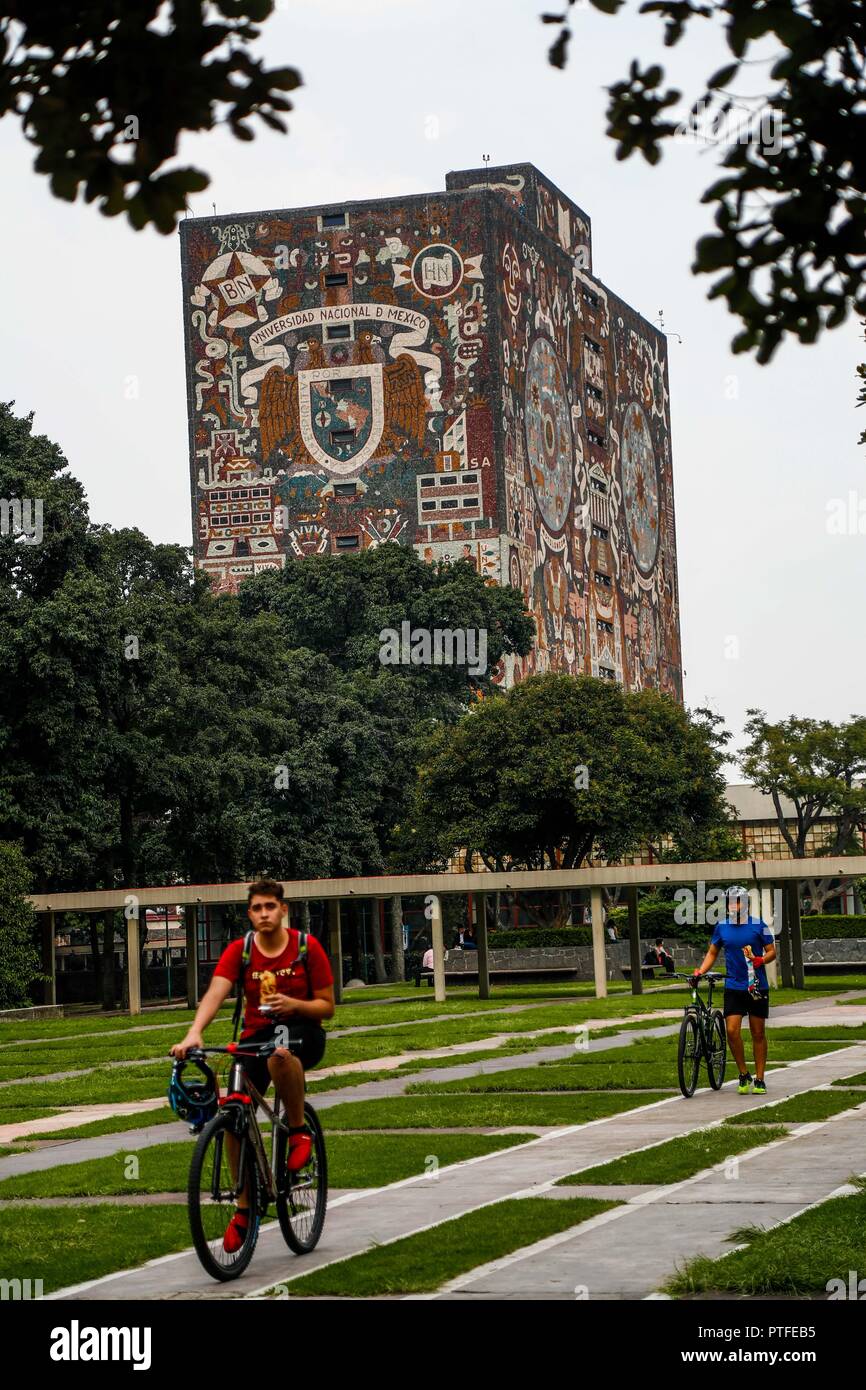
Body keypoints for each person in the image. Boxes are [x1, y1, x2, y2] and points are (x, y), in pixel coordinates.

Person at [171, 879, 334, 1251]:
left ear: (283, 909)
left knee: (280, 1057)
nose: (264, 913)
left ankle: (297, 1131)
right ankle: (245, 1207)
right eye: (257, 908)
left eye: (270, 906)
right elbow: (216, 990)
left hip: (301, 1031)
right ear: (250, 913)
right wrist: (194, 1033)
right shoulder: (241, 950)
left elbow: (327, 1005)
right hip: (255, 1036)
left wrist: (295, 1006)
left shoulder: (307, 947)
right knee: (232, 1112)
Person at [690, 885, 776, 1096]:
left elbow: (772, 952)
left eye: (738, 901)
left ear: (745, 903)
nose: (734, 905)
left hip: (756, 987)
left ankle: (760, 1078)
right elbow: (712, 953)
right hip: (734, 986)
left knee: (758, 1033)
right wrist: (700, 971)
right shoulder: (722, 927)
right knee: (731, 1031)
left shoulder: (760, 925)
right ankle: (743, 1073)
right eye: (730, 901)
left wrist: (760, 960)